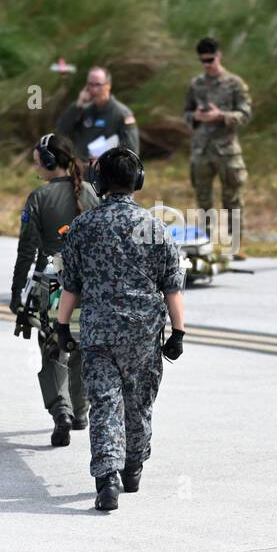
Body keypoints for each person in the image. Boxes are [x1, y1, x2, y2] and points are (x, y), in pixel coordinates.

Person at [56, 148, 186, 511]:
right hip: (144, 332)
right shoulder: (155, 226)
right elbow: (171, 287)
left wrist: (63, 326)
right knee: (139, 402)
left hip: (98, 333)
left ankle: (107, 479)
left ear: (99, 183)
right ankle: (133, 467)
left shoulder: (83, 225)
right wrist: (178, 334)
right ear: (137, 182)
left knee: (103, 404)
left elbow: (71, 285)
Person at [10, 134, 99, 446]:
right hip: (88, 286)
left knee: (52, 349)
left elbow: (26, 251)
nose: (36, 168)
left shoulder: (38, 198)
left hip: (51, 287)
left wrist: (16, 292)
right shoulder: (91, 193)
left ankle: (60, 409)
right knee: (81, 346)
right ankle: (80, 411)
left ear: (49, 163)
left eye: (37, 163)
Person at [182, 37, 252, 259]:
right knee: (203, 200)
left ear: (219, 56)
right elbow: (186, 113)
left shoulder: (234, 83)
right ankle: (205, 243)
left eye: (210, 59)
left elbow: (245, 114)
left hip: (227, 150)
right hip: (201, 149)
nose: (207, 64)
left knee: (233, 198)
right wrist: (196, 116)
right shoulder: (196, 84)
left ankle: (237, 244)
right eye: (203, 61)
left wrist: (220, 115)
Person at [55, 66, 139, 160]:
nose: (94, 90)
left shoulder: (121, 113)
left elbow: (132, 151)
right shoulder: (83, 110)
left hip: (105, 170)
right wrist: (77, 106)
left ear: (108, 85)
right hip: (81, 169)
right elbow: (61, 130)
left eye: (98, 85)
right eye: (90, 84)